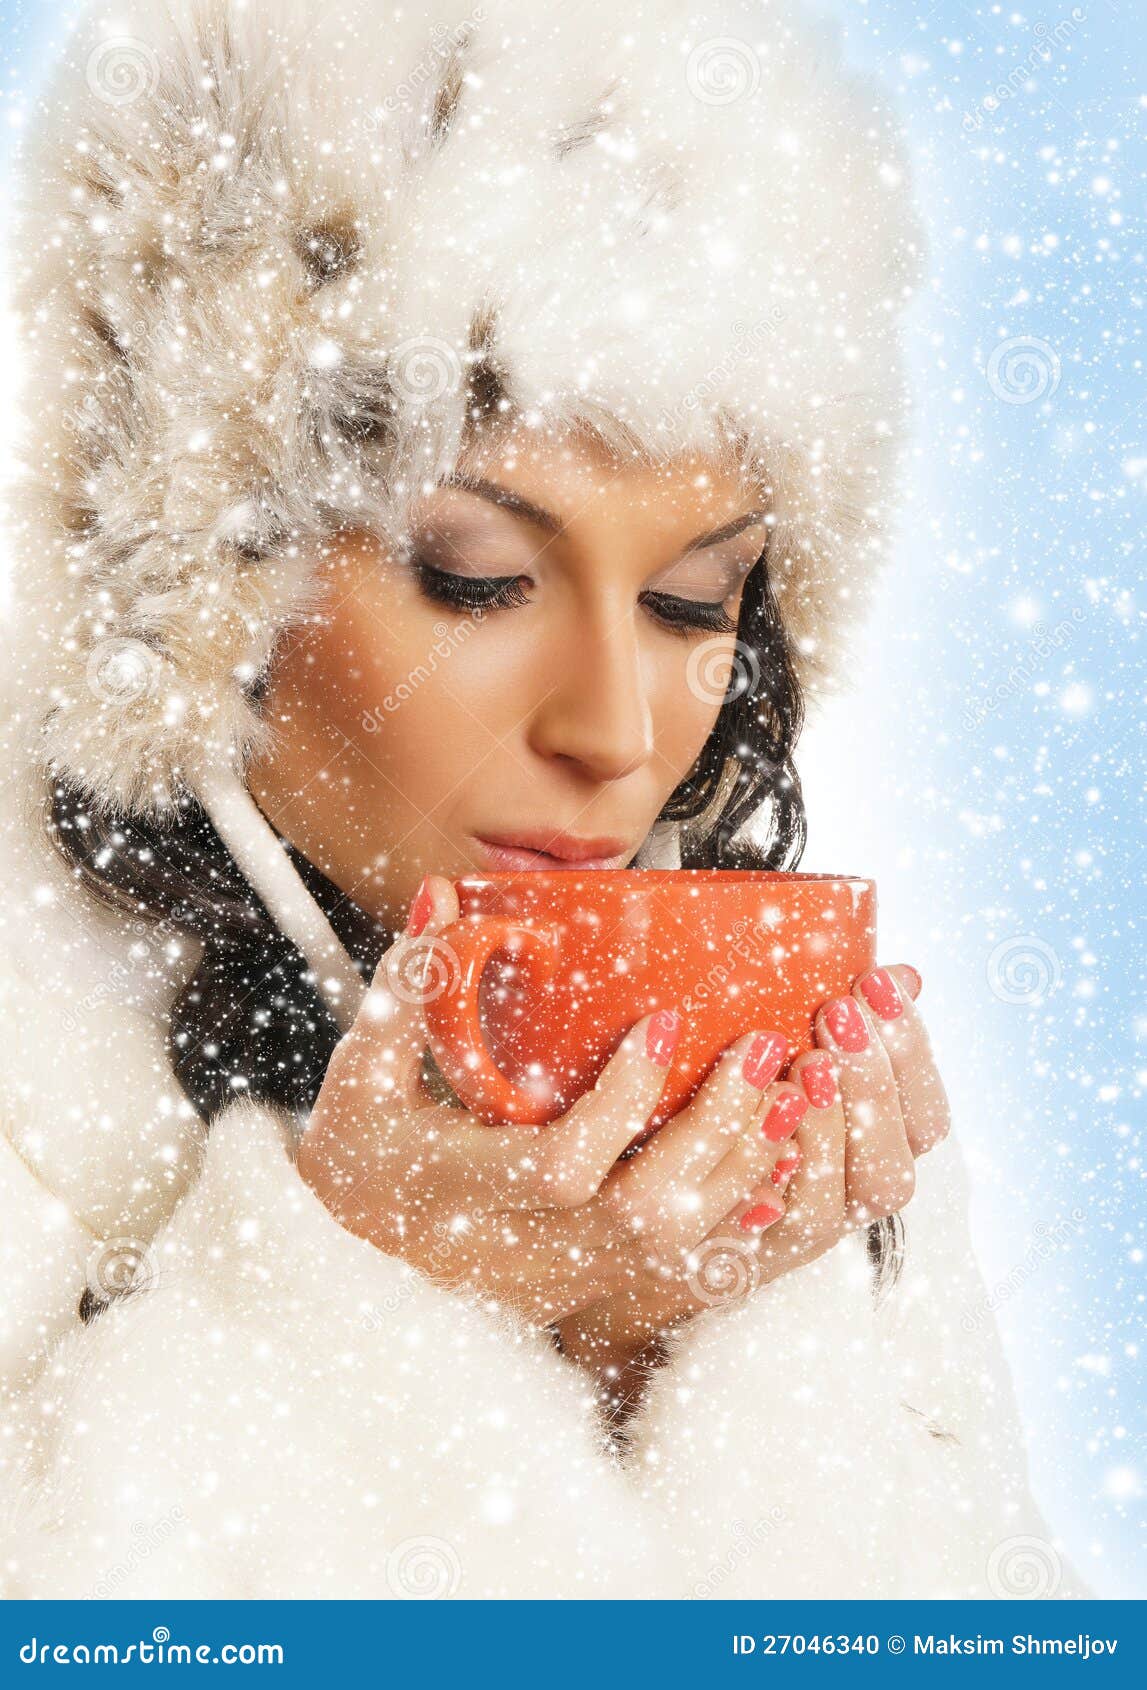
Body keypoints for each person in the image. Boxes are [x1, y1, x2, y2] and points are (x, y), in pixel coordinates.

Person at [0, 0, 1088, 1599]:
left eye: (696, 601)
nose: (616, 730)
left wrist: (700, 1349)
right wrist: (344, 1290)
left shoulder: (777, 1093)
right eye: (477, 576)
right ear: (208, 571)